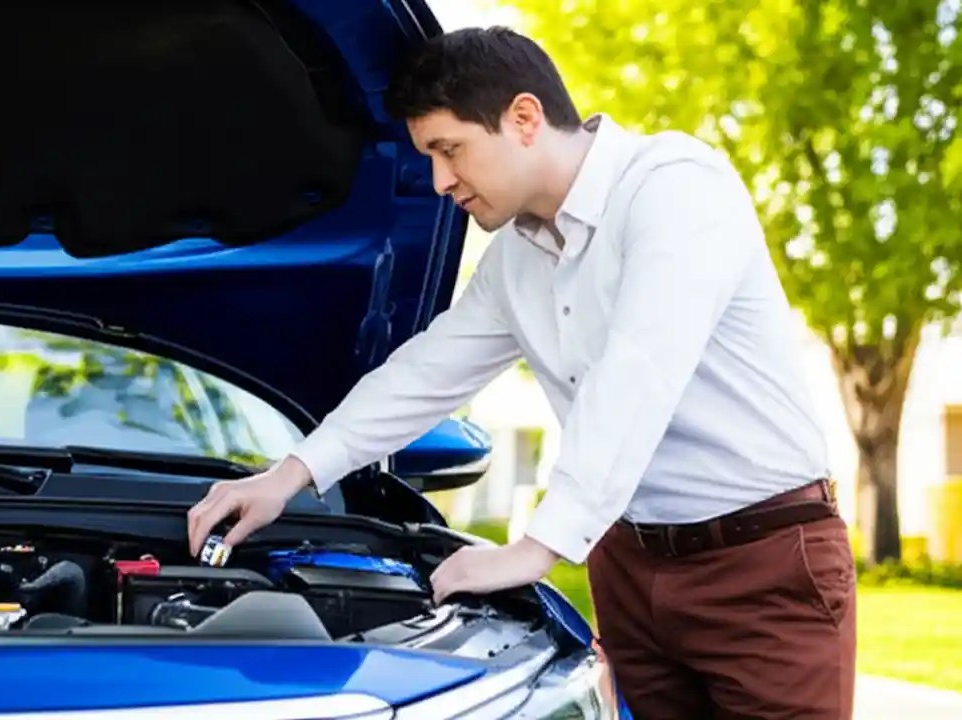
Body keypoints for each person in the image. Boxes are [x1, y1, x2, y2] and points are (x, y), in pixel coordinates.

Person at [187, 25, 856, 720]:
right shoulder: (518, 256)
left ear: (525, 118)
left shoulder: (676, 189)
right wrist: (289, 474)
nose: (442, 181)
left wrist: (535, 549)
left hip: (761, 564)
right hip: (627, 565)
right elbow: (422, 373)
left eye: (450, 150)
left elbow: (638, 373)